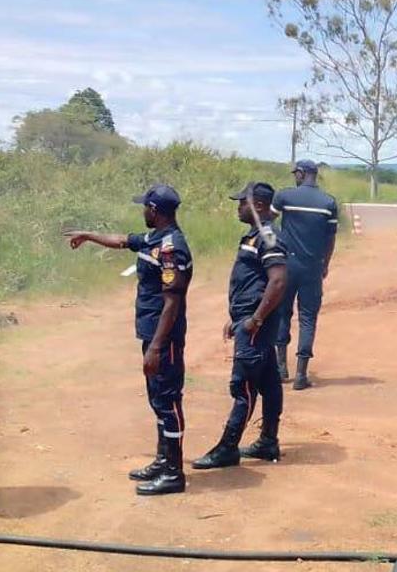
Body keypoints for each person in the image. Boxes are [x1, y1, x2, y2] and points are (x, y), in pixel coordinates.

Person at [65, 184, 193, 495]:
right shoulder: (154, 239)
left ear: (154, 210)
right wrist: (88, 234)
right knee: (157, 398)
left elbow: (172, 301)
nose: (142, 212)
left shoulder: (170, 248)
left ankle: (174, 473)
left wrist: (157, 346)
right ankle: (163, 460)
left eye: (144, 207)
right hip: (151, 334)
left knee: (168, 400)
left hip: (164, 338)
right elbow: (123, 240)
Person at [192, 183, 289, 470]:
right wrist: (238, 316)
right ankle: (268, 441)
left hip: (255, 324)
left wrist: (255, 319)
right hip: (249, 320)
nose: (238, 208)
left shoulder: (268, 238)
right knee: (269, 381)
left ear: (257, 206)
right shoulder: (255, 236)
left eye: (241, 203)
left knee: (243, 384)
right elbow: (254, 282)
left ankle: (227, 447)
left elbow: (278, 281)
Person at [272, 159, 339, 391]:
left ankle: (281, 368)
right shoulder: (329, 202)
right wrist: (325, 264)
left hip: (286, 264)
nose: (295, 177)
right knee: (308, 318)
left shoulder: (285, 197)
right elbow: (331, 239)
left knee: (282, 313)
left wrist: (274, 249)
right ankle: (301, 375)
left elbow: (267, 222)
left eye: (295, 174)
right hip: (313, 267)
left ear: (301, 174)